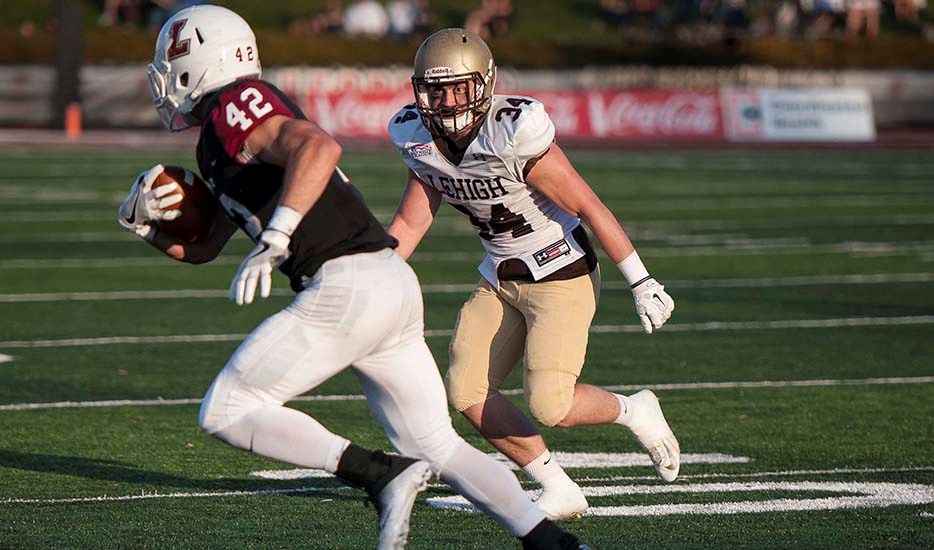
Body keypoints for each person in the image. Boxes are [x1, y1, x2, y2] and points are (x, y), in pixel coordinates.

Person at [117, 6, 586, 549]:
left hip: (345, 283)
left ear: (200, 62)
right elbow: (206, 246)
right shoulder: (218, 142)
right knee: (437, 445)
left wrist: (279, 235)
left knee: (227, 409)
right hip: (386, 283)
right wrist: (143, 227)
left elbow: (319, 146)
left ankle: (378, 473)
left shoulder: (234, 105)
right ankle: (558, 545)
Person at [386, 28, 681, 521]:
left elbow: (587, 204)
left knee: (550, 405)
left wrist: (641, 279)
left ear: (484, 83)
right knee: (466, 391)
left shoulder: (512, 130)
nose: (447, 100)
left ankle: (634, 410)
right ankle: (557, 486)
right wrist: (371, 278)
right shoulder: (417, 136)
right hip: (500, 275)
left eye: (459, 87)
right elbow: (411, 222)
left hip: (561, 273)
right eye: (436, 90)